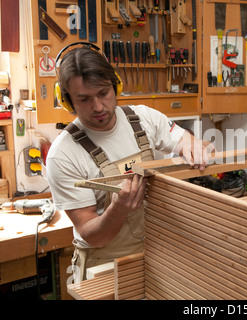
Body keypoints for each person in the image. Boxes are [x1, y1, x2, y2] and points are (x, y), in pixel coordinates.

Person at [46, 45, 211, 282]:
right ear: (68, 101)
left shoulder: (143, 118)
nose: (98, 107)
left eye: (103, 93)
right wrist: (118, 209)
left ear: (116, 86)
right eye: (84, 99)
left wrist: (191, 144)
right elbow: (93, 236)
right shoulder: (62, 155)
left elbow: (184, 139)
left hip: (155, 255)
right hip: (105, 265)